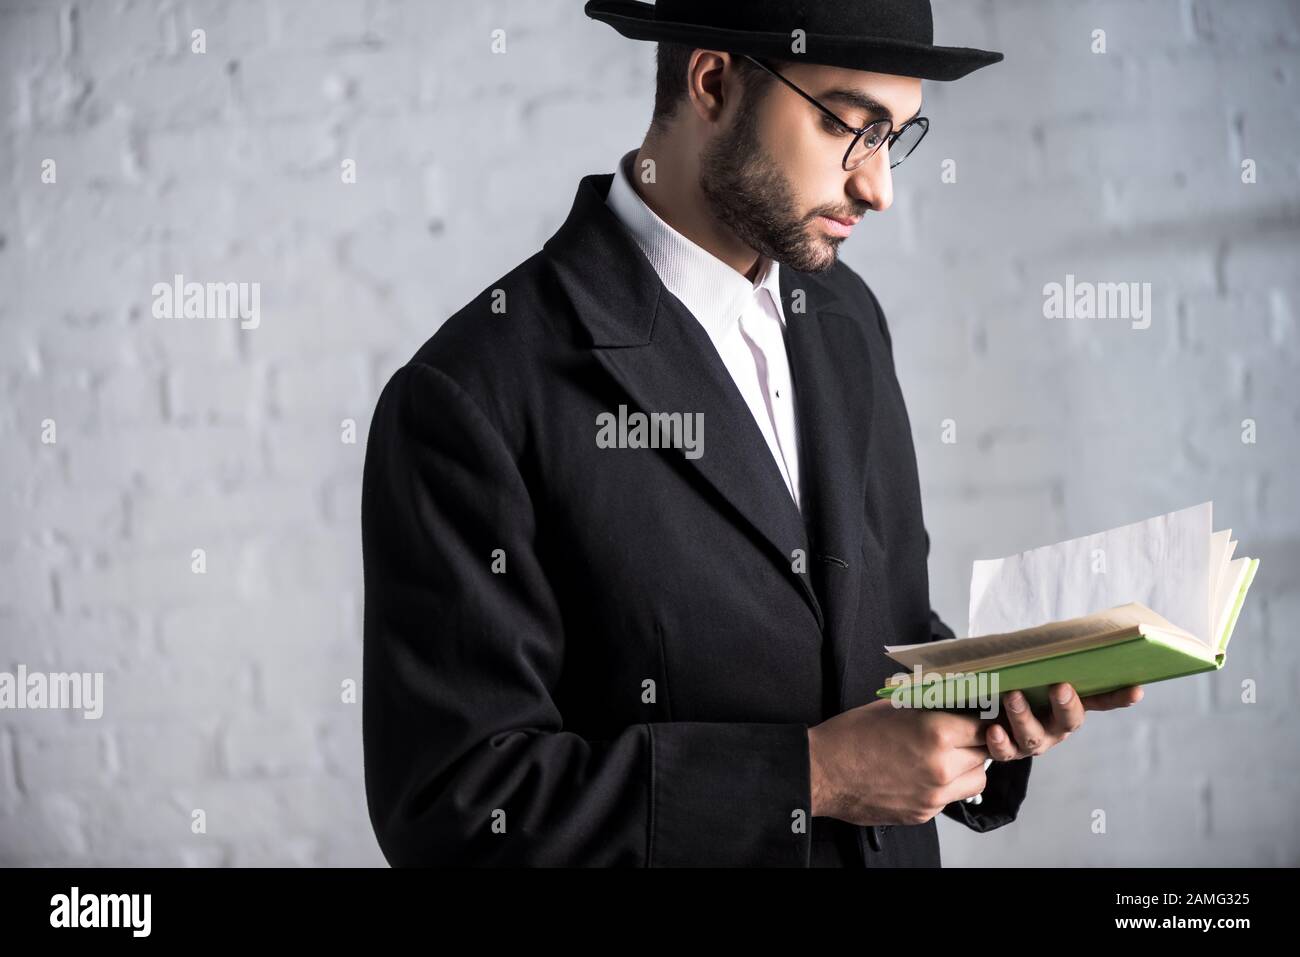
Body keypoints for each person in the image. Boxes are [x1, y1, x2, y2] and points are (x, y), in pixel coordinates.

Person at [360, 0, 1143, 867]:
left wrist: (991, 698)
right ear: (714, 82)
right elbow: (458, 811)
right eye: (853, 125)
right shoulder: (471, 394)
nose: (879, 187)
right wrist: (809, 777)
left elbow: (867, 629)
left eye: (899, 137)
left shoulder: (846, 315)